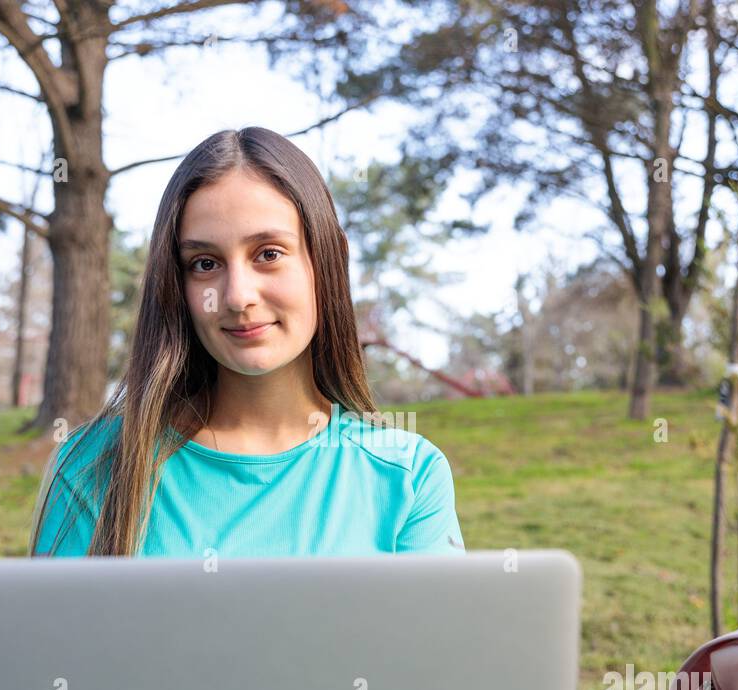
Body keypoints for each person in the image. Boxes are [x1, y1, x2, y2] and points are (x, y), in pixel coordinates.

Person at [29, 126, 465, 559]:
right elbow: (52, 629)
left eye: (269, 254)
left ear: (327, 260)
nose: (237, 296)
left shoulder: (408, 476)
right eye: (204, 263)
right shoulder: (96, 465)